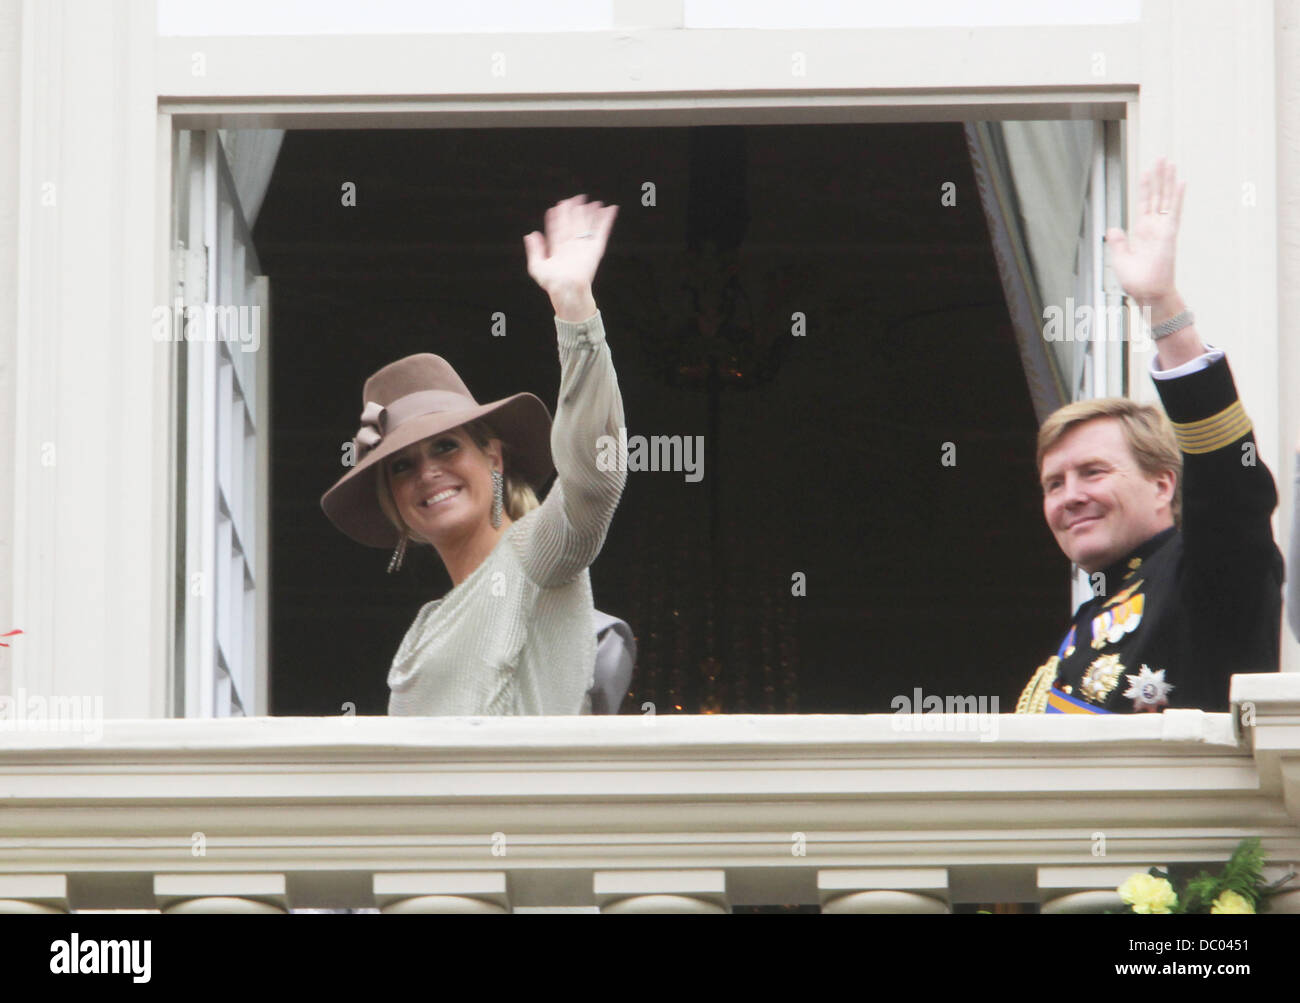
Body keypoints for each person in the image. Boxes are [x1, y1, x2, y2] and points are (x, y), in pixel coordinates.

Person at [321, 195, 627, 715]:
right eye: (402, 465)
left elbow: (594, 478)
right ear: (392, 500)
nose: (427, 472)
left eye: (446, 446)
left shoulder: (535, 554)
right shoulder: (425, 629)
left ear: (495, 458)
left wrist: (575, 310)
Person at [1017, 159, 1284, 715]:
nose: (1069, 496)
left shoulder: (1204, 572)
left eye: (1093, 471)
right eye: (1053, 483)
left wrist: (1161, 308)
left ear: (1164, 485)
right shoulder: (1090, 618)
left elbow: (1232, 492)